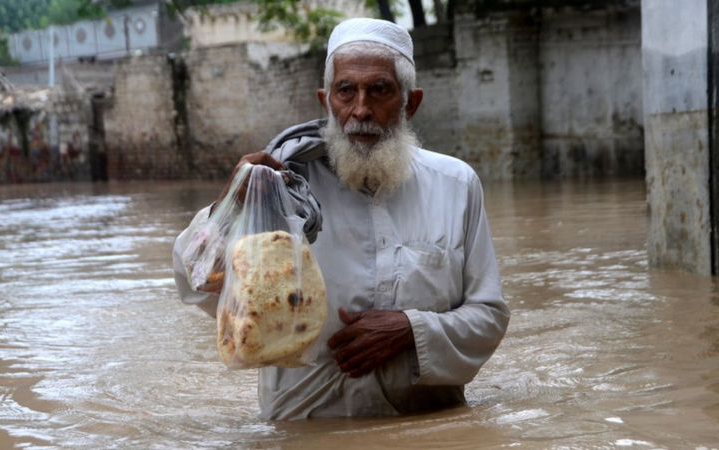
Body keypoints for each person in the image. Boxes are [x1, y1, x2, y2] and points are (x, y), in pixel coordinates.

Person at [173, 17, 509, 420]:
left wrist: (410, 329)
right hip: (307, 429)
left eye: (380, 90)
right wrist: (228, 207)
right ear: (325, 101)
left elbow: (488, 316)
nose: (361, 110)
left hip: (426, 423)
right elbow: (195, 284)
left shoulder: (456, 185)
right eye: (346, 91)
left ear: (411, 102)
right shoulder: (281, 190)